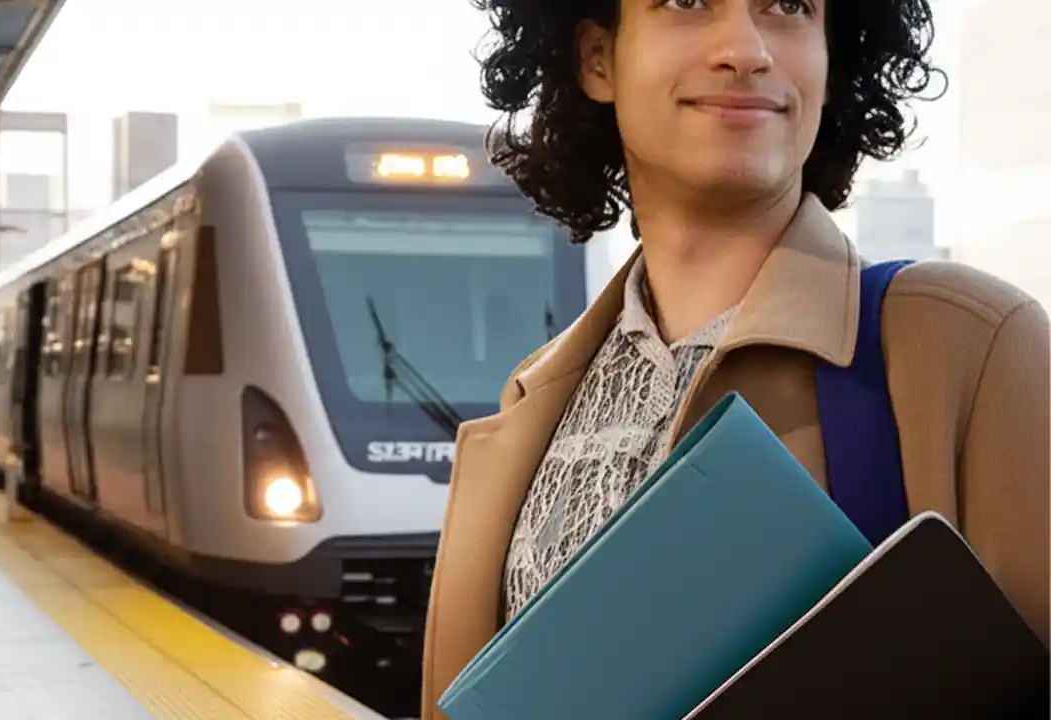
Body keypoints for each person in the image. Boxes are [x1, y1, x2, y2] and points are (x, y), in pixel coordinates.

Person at [421, 0, 1050, 717]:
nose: (746, 50)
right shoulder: (533, 402)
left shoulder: (966, 346)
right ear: (598, 60)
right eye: (688, 2)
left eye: (789, 7)